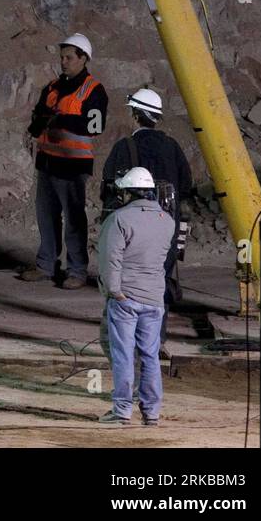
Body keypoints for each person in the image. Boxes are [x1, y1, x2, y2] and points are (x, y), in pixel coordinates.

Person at [99, 87, 192, 343]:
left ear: (135, 114)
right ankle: (154, 342)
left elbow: (108, 189)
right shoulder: (172, 146)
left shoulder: (125, 147)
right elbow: (186, 185)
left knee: (126, 286)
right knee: (158, 283)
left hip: (131, 230)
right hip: (166, 229)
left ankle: (126, 343)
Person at [22, 33, 108, 289]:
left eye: (69, 57)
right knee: (46, 217)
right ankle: (46, 266)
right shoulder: (51, 87)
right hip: (48, 162)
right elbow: (38, 118)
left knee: (73, 220)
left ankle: (77, 271)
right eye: (62, 57)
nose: (64, 61)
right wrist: (41, 122)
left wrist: (57, 119)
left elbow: (94, 126)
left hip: (72, 166)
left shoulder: (93, 90)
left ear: (84, 59)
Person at [96, 167, 175, 426]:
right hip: (154, 299)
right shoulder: (167, 221)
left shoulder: (119, 219)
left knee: (123, 354)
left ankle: (122, 411)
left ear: (127, 193)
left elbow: (110, 260)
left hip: (126, 298)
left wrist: (114, 291)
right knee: (150, 355)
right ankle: (151, 413)